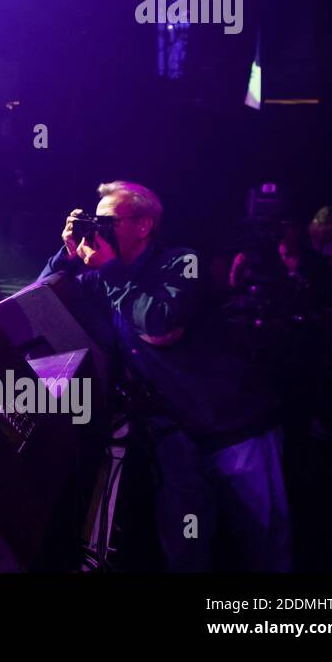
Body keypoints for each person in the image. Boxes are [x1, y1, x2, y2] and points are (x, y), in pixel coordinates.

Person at [40, 180, 291, 572]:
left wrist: (108, 270)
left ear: (144, 225)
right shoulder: (104, 277)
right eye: (95, 223)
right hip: (175, 442)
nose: (99, 232)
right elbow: (41, 302)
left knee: (264, 546)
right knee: (184, 554)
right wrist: (65, 255)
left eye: (108, 222)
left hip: (234, 430)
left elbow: (160, 327)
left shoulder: (180, 263)